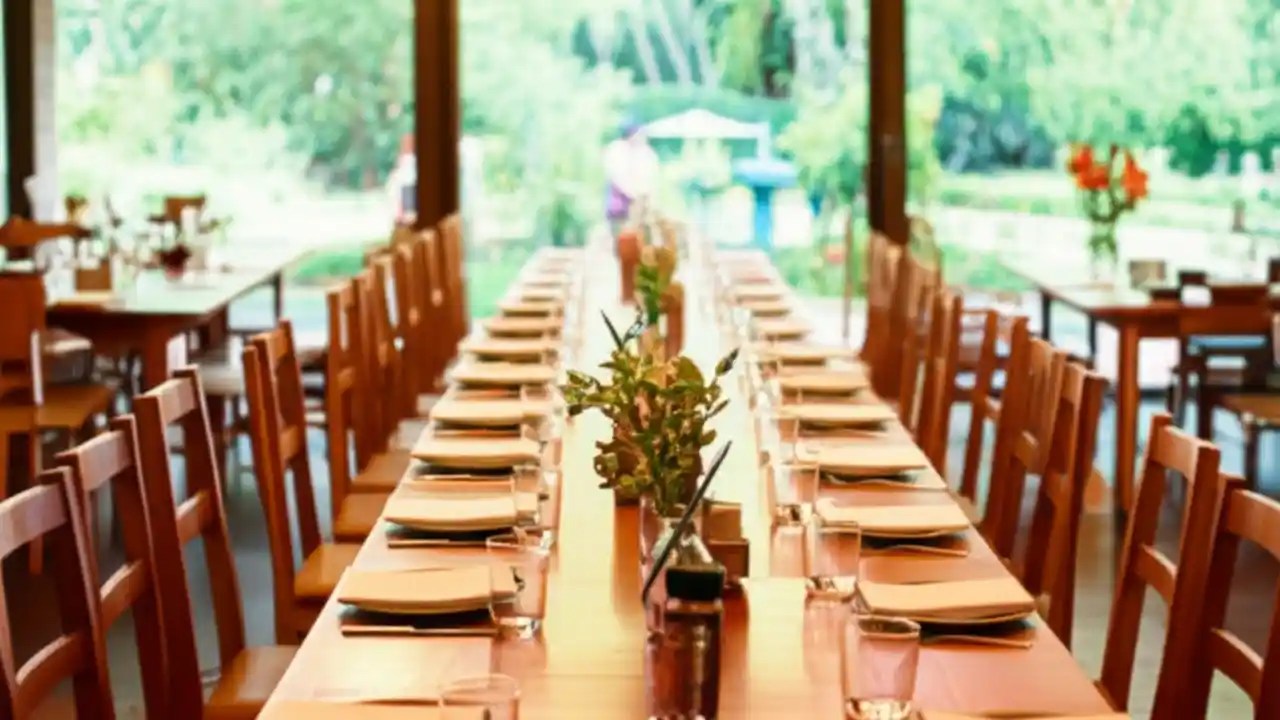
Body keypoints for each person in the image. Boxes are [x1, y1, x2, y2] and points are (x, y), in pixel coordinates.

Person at [604, 120, 660, 237]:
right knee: (622, 238)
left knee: (639, 236)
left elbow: (649, 177)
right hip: (621, 203)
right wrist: (632, 193)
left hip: (639, 202)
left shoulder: (644, 152)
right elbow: (617, 177)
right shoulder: (617, 150)